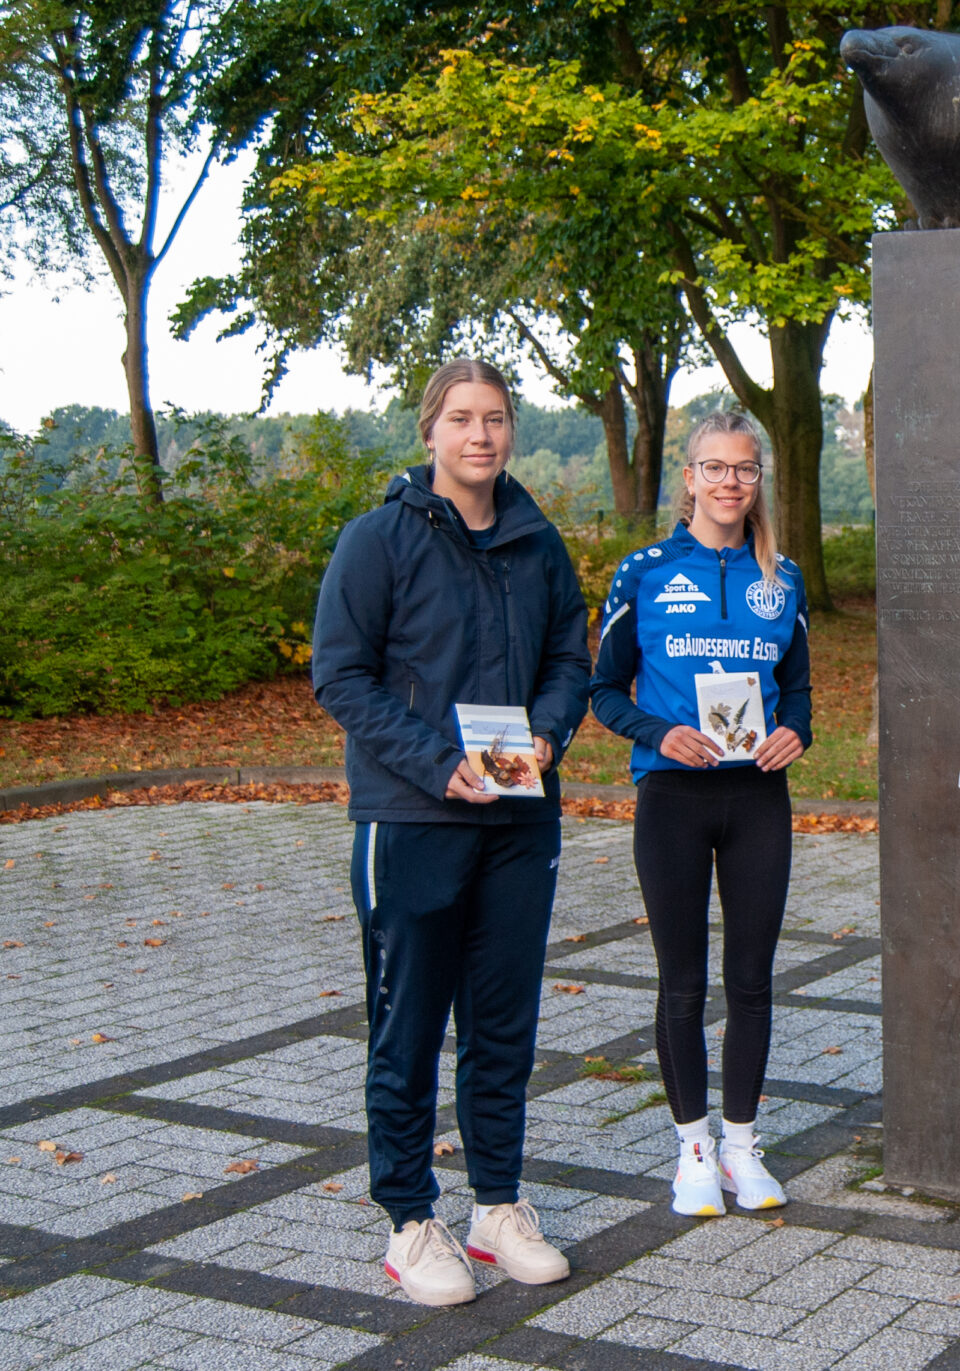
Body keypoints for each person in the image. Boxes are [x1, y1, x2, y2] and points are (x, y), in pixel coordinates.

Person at [312, 359, 590, 1306]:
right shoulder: (377, 541)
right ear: (430, 431)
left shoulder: (538, 542)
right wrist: (436, 764)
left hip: (518, 817)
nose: (482, 435)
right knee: (409, 1023)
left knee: (503, 1022)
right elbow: (341, 678)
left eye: (498, 419)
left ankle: (498, 1206)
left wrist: (549, 730)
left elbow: (568, 659)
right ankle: (409, 1219)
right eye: (463, 419)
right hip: (413, 816)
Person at [589, 410, 811, 1219]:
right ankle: (691, 1148)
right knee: (681, 983)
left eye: (744, 469)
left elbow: (804, 694)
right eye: (714, 467)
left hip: (758, 798)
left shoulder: (781, 577)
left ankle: (744, 1147)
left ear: (759, 482)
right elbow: (603, 689)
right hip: (673, 798)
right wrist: (659, 730)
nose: (729, 481)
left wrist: (797, 734)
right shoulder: (643, 572)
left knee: (750, 980)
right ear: (688, 477)